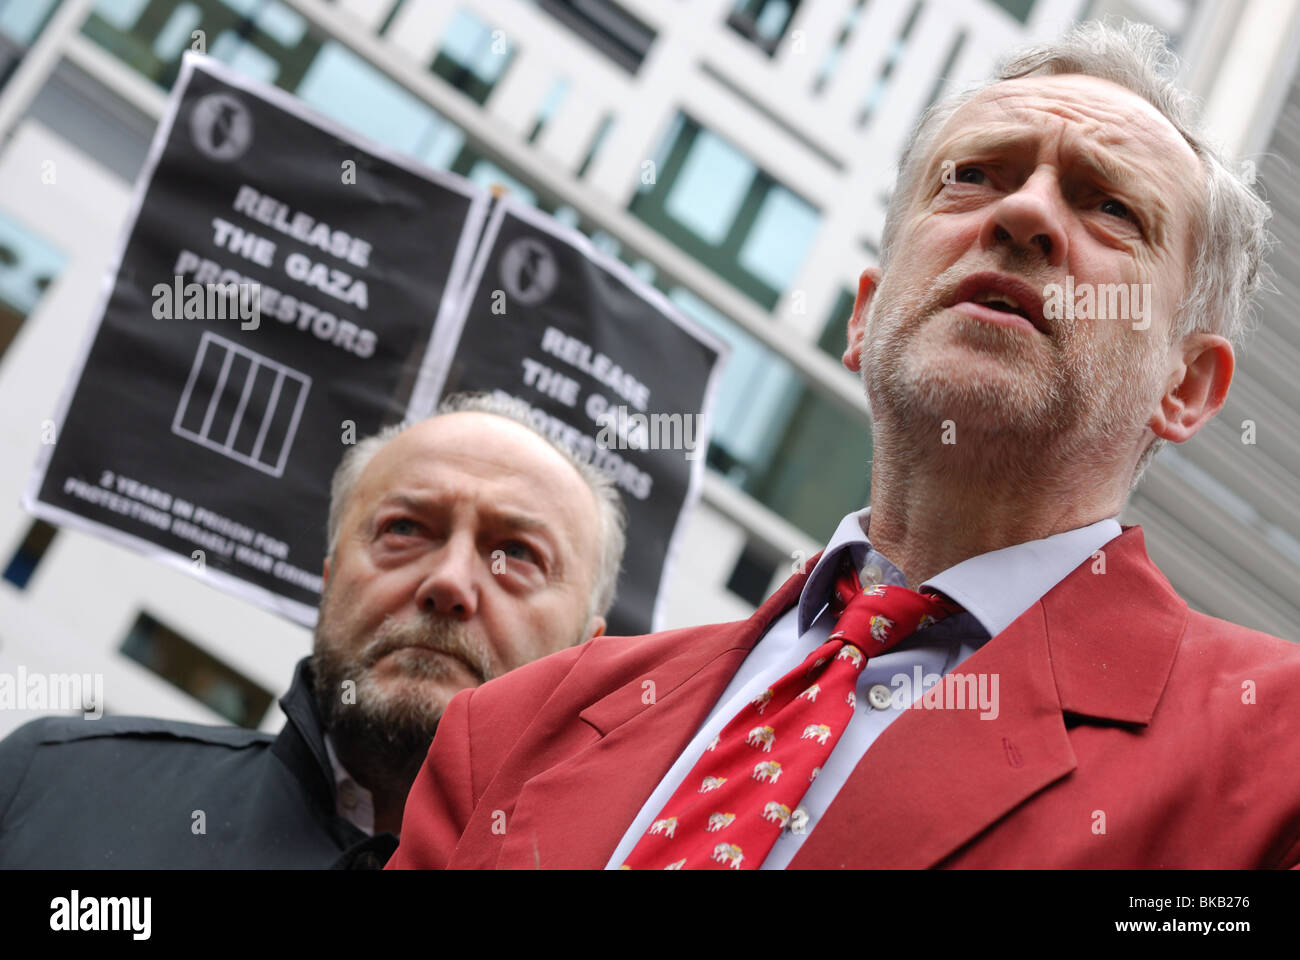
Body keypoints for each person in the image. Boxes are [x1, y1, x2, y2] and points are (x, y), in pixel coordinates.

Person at [388, 20, 1300, 870]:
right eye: (974, 175)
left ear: (1185, 387)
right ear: (865, 315)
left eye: (1109, 207)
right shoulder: (513, 729)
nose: (1023, 217)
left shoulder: (1274, 761)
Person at [0, 393, 625, 868]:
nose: (451, 582)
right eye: (405, 528)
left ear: (585, 653)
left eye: (516, 552)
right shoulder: (51, 788)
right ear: (329, 581)